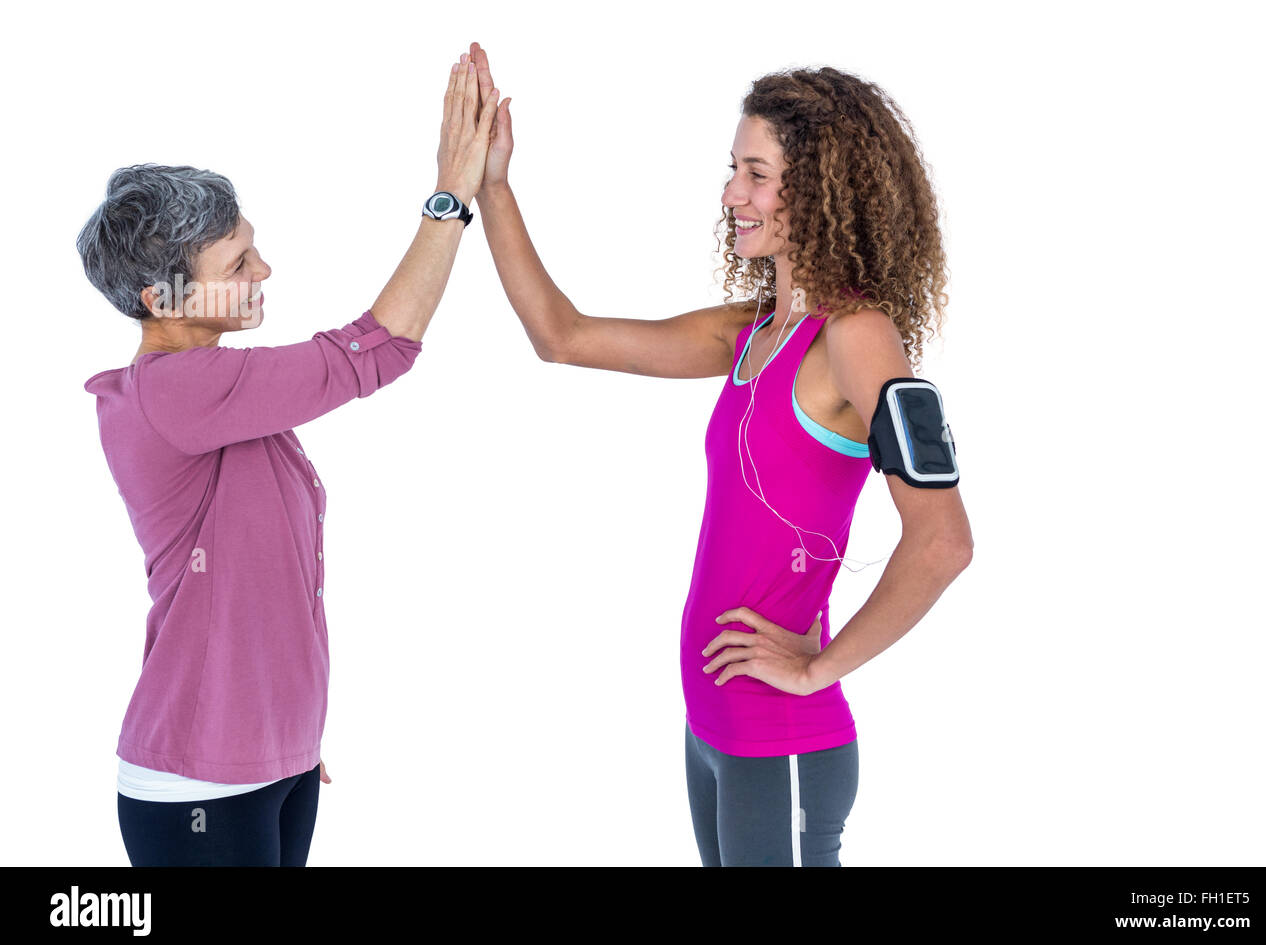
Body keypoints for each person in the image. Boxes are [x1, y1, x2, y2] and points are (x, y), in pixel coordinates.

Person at [466, 42, 973, 865]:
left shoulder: (856, 337)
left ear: (821, 189)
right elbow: (561, 336)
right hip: (715, 728)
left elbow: (945, 540)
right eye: (734, 169)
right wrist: (494, 184)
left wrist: (820, 667)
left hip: (785, 738)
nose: (732, 193)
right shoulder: (752, 331)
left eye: (756, 173)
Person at [77, 52, 500, 865]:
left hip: (275, 759)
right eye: (237, 264)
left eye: (253, 247)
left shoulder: (226, 396)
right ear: (159, 300)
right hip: (200, 781)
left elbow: (257, 584)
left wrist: (282, 741)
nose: (264, 269)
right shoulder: (180, 391)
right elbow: (374, 352)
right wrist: (451, 195)